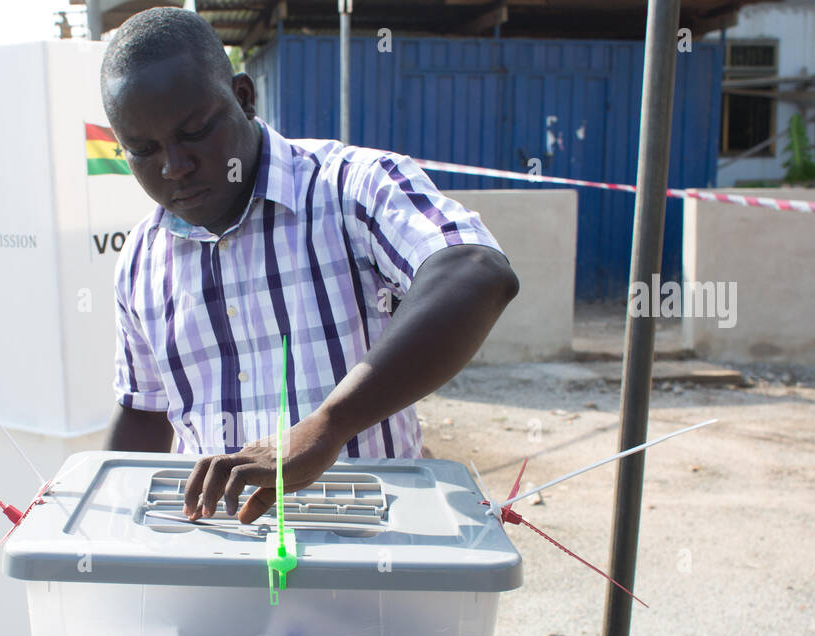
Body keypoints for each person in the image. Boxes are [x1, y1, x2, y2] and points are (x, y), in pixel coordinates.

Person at [101, 7, 518, 524]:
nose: (174, 167)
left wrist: (326, 427)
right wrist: (100, 527)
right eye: (142, 150)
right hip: (216, 562)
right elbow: (144, 412)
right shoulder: (141, 259)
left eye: (194, 132)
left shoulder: (352, 189)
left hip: (371, 549)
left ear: (244, 97)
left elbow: (476, 271)